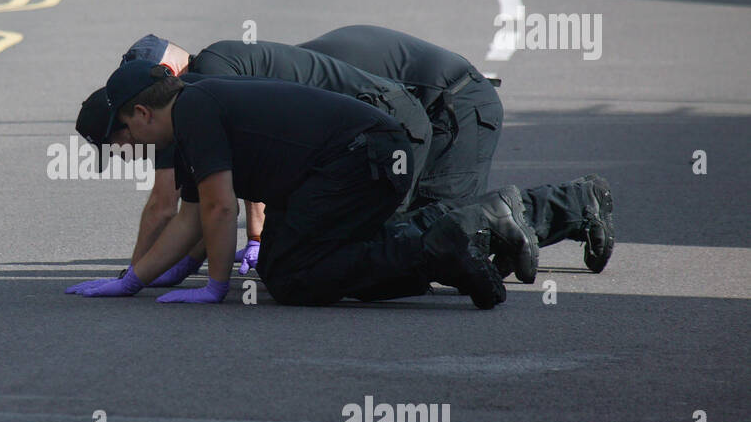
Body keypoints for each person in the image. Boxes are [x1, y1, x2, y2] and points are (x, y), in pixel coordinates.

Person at [68, 62, 531, 309]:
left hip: (365, 158)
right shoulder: (192, 113)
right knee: (293, 266)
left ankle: (434, 244)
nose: (127, 150)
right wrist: (132, 280)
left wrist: (214, 287)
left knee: (292, 276)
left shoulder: (195, 111)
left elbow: (219, 210)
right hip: (357, 161)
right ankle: (444, 246)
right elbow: (191, 218)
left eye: (121, 138)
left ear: (142, 114)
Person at [301, 25, 614, 273]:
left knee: (436, 232)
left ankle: (575, 204)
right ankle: (559, 211)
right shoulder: (299, 69)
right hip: (443, 104)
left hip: (457, 107)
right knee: (414, 233)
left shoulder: (304, 90)